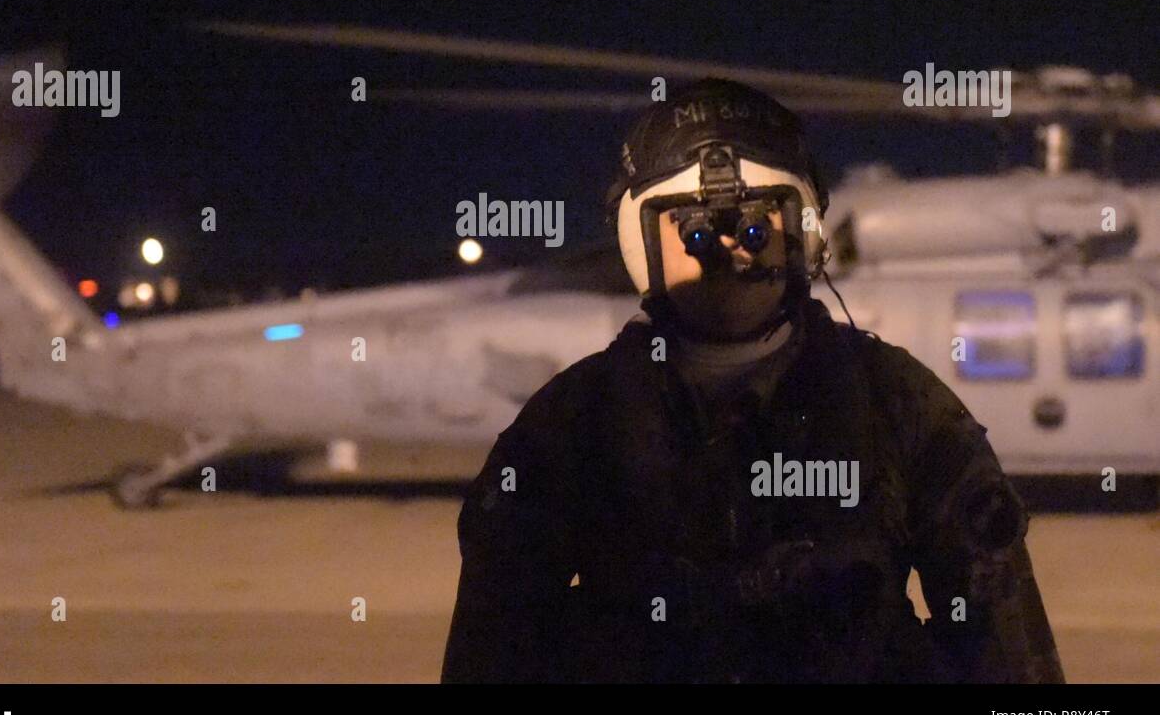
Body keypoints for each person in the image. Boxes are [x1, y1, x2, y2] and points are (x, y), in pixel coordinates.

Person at [441, 78, 1065, 683]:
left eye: (756, 227)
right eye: (693, 230)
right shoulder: (573, 424)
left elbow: (1005, 651)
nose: (730, 251)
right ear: (639, 242)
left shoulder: (898, 404)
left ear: (804, 231)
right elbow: (494, 647)